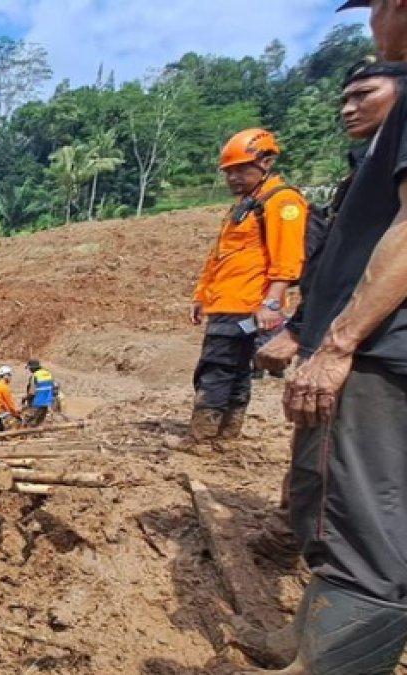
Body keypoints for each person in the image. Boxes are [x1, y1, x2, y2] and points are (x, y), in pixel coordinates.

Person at [241, 4, 407, 672]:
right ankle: (308, 638)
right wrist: (311, 330)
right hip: (364, 342)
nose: (376, 20)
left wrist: (337, 345)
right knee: (336, 506)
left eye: (378, 5)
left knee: (361, 526)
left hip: (377, 349)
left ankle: (331, 661)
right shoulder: (371, 152)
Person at [258, 59, 404, 375]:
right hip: (334, 340)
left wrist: (340, 344)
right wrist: (299, 328)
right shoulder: (363, 173)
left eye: (364, 94)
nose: (348, 110)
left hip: (375, 353)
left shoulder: (282, 200)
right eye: (345, 100)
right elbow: (336, 266)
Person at [188, 128, 307, 446]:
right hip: (227, 302)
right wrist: (202, 296)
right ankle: (225, 435)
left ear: (266, 162)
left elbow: (288, 257)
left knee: (217, 367)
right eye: (229, 172)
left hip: (247, 304)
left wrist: (272, 302)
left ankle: (203, 437)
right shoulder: (246, 205)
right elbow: (221, 256)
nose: (233, 178)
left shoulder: (282, 201)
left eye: (242, 169)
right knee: (235, 368)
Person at [23, 360, 57, 427]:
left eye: (29, 368)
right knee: (39, 421)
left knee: (30, 421)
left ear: (33, 368)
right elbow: (54, 388)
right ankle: (37, 434)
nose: (29, 370)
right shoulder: (48, 373)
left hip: (37, 402)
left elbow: (32, 393)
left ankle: (28, 433)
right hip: (47, 403)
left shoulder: (34, 376)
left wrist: (24, 399)